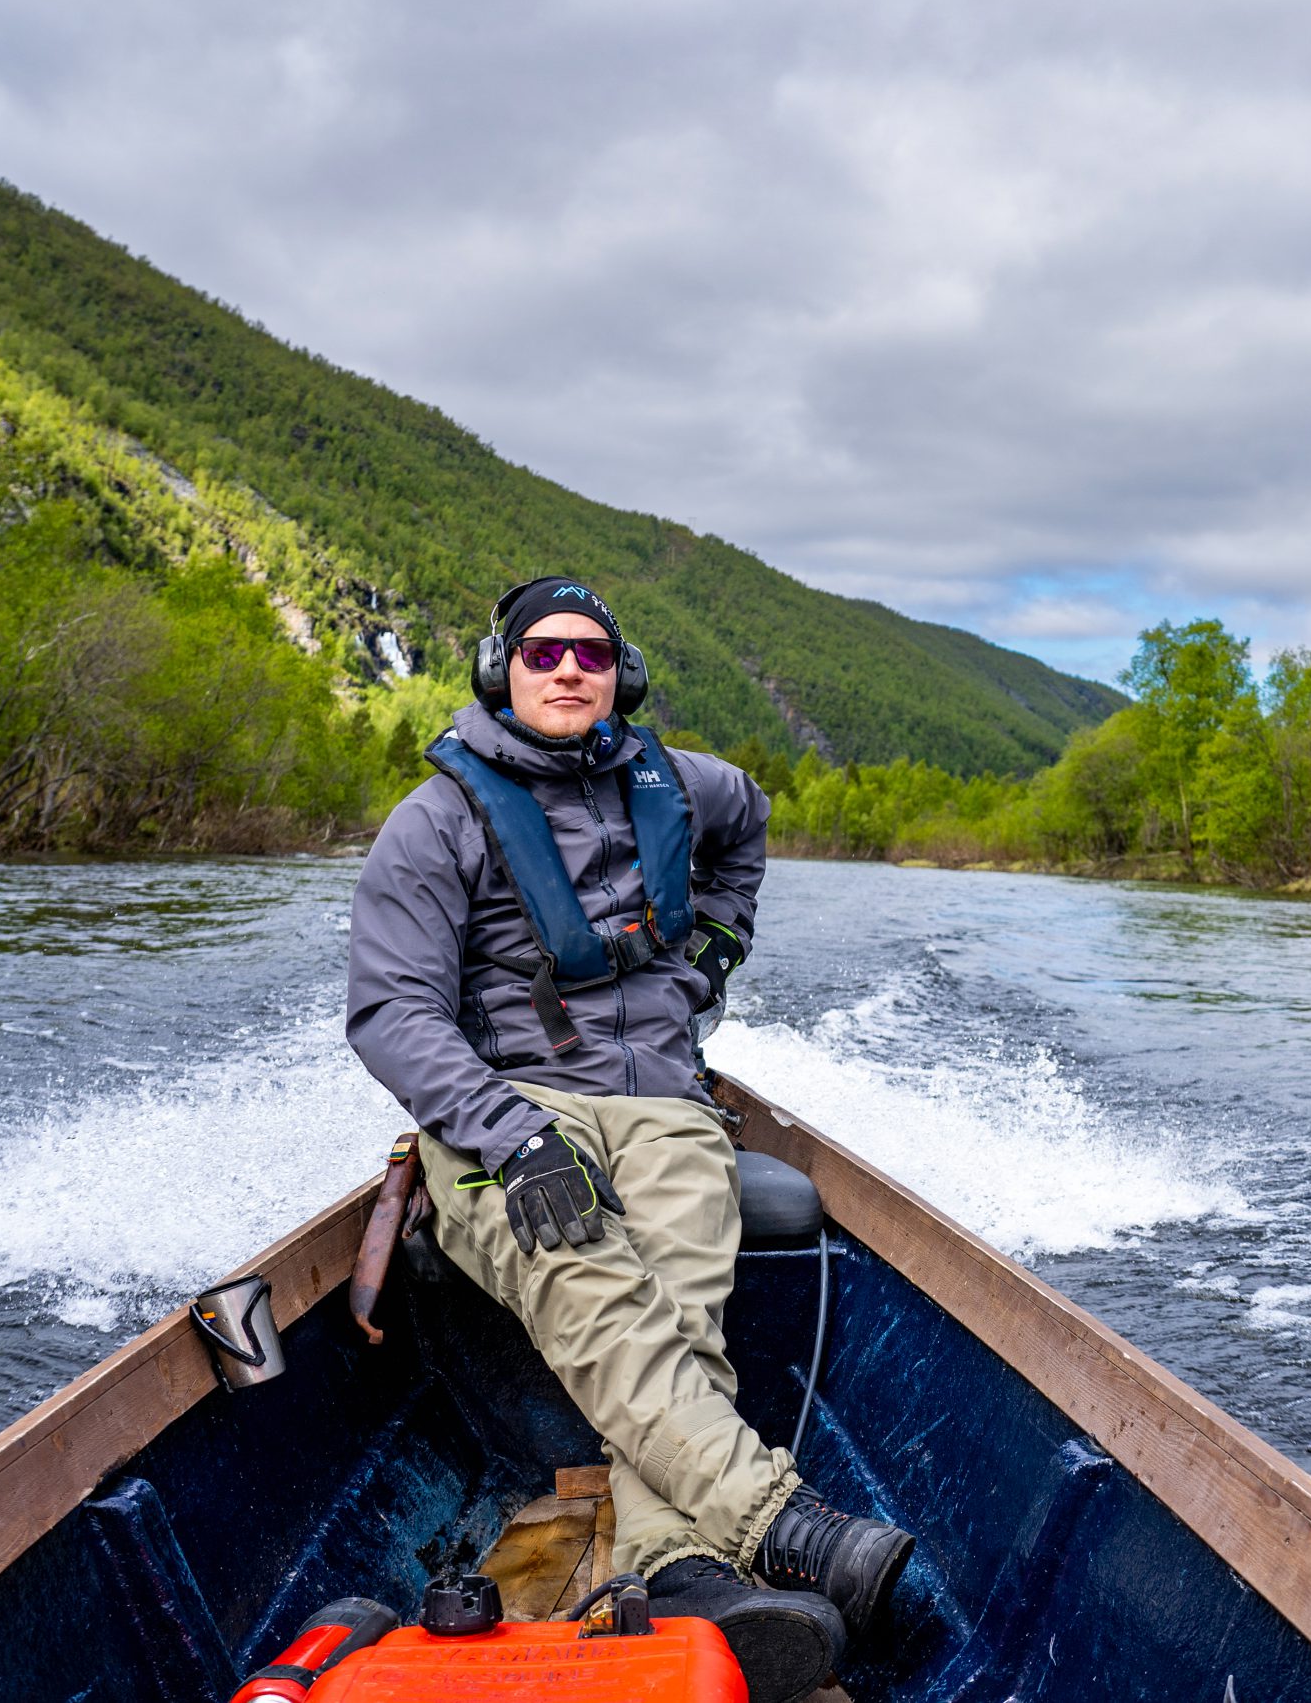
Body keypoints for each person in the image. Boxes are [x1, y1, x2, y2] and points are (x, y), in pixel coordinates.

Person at [345, 575, 911, 1703]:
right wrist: (508, 1136)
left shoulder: (682, 785)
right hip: (504, 1102)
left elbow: (747, 818)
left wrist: (715, 951)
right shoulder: (436, 819)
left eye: (590, 656)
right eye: (543, 652)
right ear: (500, 669)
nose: (567, 670)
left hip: (660, 1094)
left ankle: (676, 1567)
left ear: (622, 678)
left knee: (682, 1288)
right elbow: (391, 1014)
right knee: (588, 1271)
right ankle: (775, 1522)